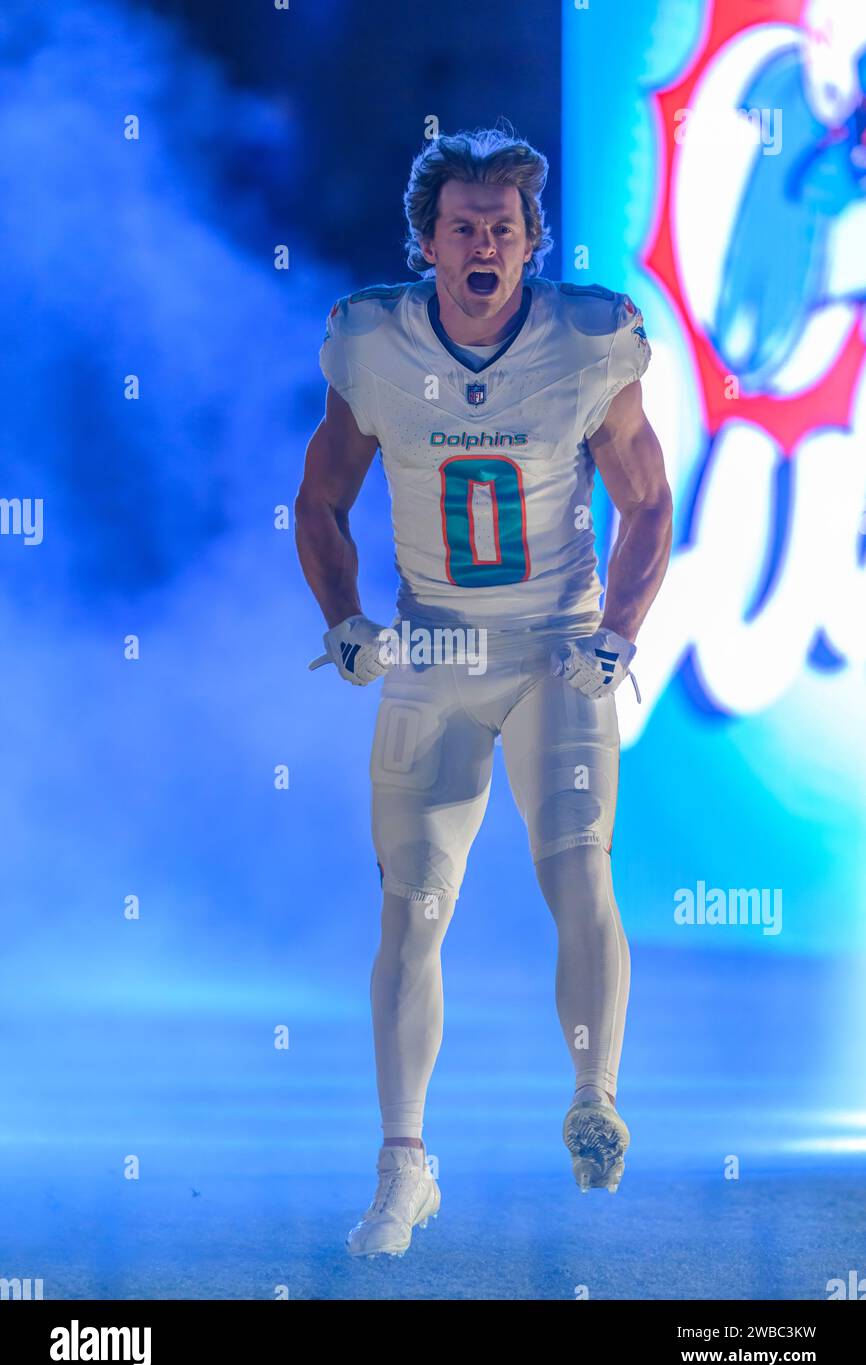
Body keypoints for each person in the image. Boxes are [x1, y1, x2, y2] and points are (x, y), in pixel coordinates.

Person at [295, 125, 672, 1259]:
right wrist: (346, 624)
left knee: (577, 864)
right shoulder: (371, 343)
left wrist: (617, 632)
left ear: (527, 242)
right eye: (463, 226)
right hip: (434, 653)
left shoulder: (587, 339)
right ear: (425, 242)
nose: (483, 244)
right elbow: (317, 501)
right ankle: (403, 1166)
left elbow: (646, 502)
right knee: (410, 913)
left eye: (502, 229)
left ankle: (593, 1097)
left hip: (554, 648)